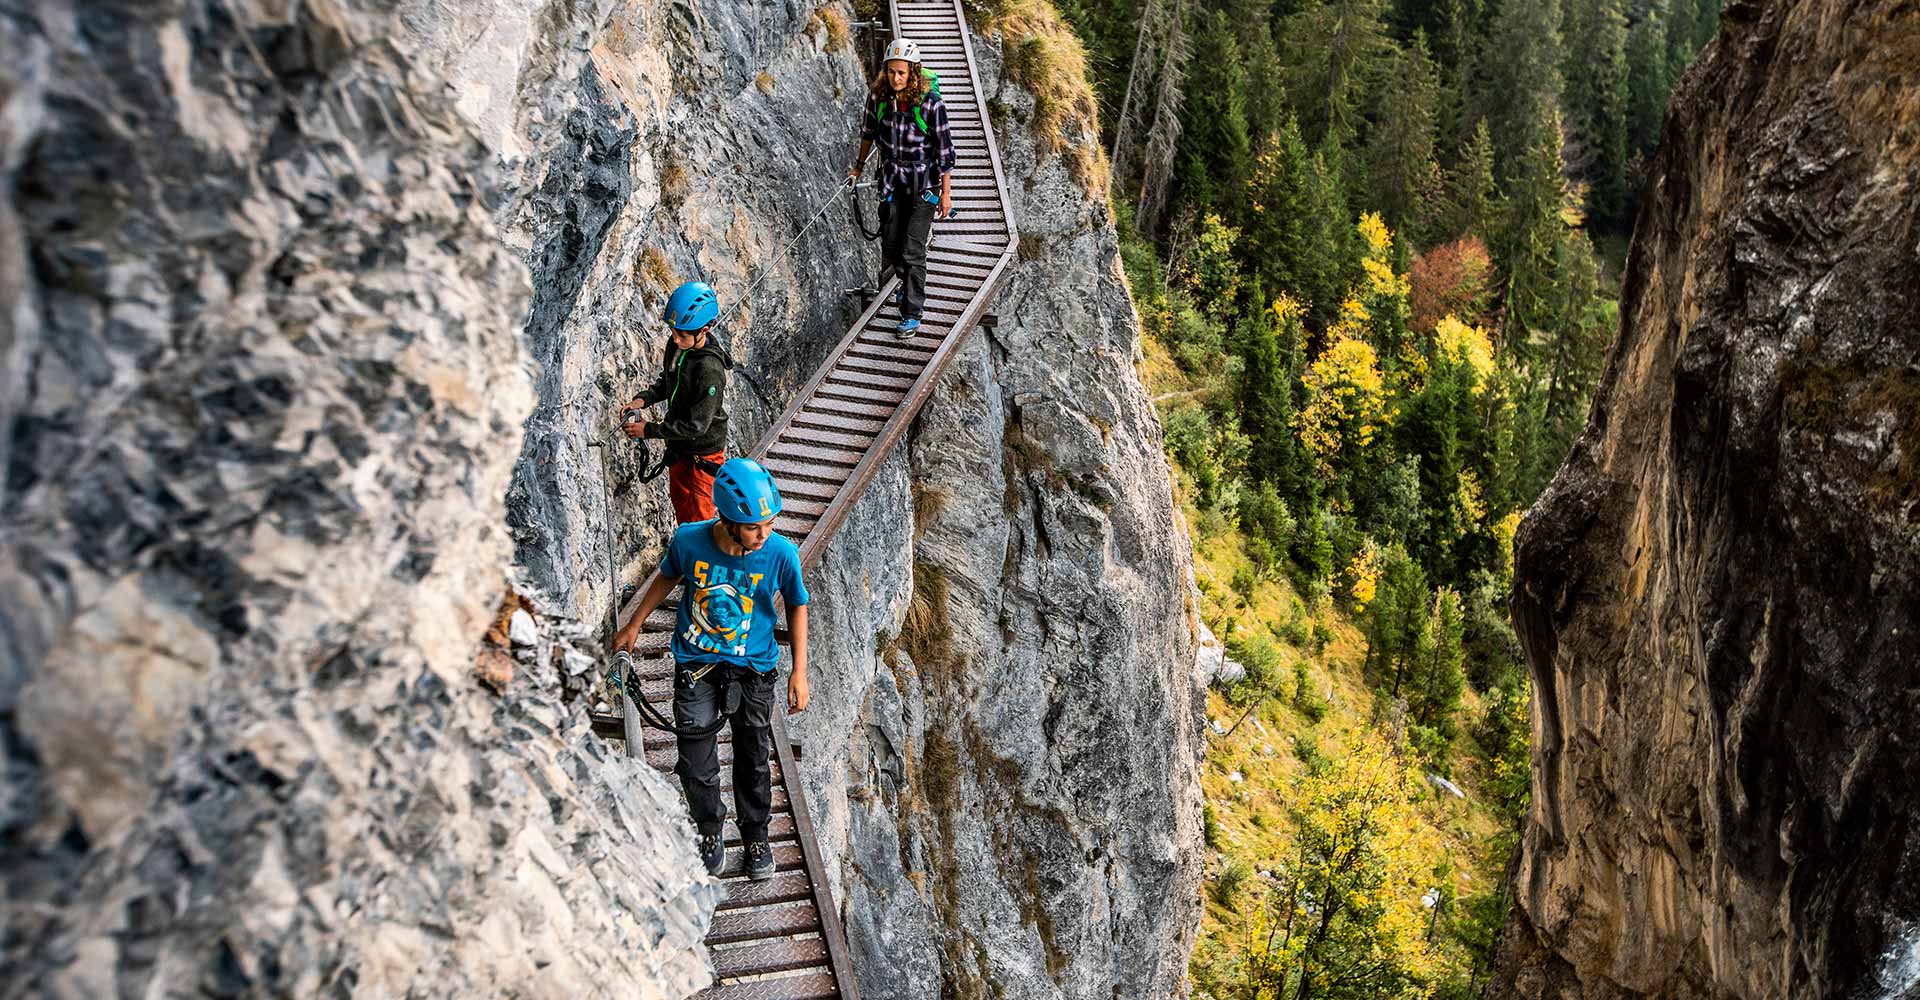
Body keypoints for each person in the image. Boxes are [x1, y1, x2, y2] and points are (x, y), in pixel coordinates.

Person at [612, 458, 810, 879]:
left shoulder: (780, 553)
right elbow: (666, 577)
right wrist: (634, 624)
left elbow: (796, 603)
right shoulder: (689, 541)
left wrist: (799, 671)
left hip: (753, 671)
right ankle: (710, 829)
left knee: (753, 757)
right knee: (696, 760)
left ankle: (756, 834)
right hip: (697, 665)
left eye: (769, 524)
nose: (764, 534)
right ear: (727, 518)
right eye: (754, 526)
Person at [848, 38, 956, 338]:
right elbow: (868, 132)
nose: (896, 78)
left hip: (925, 185)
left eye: (902, 73)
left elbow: (946, 152)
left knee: (912, 250)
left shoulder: (930, 103)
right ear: (886, 71)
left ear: (913, 72)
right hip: (893, 181)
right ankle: (905, 288)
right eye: (892, 72)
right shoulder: (879, 98)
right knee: (892, 246)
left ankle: (912, 313)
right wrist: (858, 166)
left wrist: (945, 195)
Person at [623, 280, 731, 523]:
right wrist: (643, 399)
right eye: (673, 332)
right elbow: (668, 382)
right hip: (680, 447)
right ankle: (686, 553)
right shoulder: (678, 347)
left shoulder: (709, 370)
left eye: (681, 335)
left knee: (700, 517)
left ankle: (699, 557)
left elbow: (697, 426)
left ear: (704, 330)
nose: (675, 340)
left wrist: (648, 430)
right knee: (682, 507)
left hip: (702, 452)